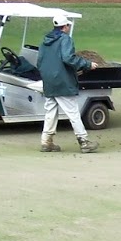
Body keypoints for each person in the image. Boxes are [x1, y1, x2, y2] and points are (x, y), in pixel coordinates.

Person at [39, 11, 94, 153]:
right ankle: (84, 141)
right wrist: (87, 64)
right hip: (63, 81)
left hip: (49, 81)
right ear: (64, 27)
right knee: (73, 112)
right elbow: (68, 58)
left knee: (50, 111)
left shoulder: (45, 41)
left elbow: (40, 61)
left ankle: (46, 141)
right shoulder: (65, 39)